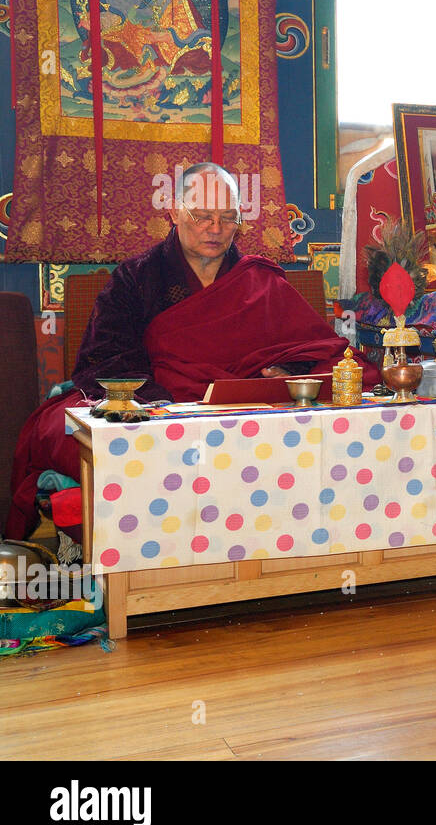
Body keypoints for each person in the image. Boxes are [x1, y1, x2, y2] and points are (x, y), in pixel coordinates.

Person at [5, 163, 379, 543]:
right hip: (165, 400)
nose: (215, 229)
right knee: (65, 431)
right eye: (201, 217)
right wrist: (167, 401)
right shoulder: (136, 278)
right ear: (174, 212)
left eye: (227, 218)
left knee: (340, 385)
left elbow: (309, 341)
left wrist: (285, 369)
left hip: (243, 400)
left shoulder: (257, 278)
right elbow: (107, 358)